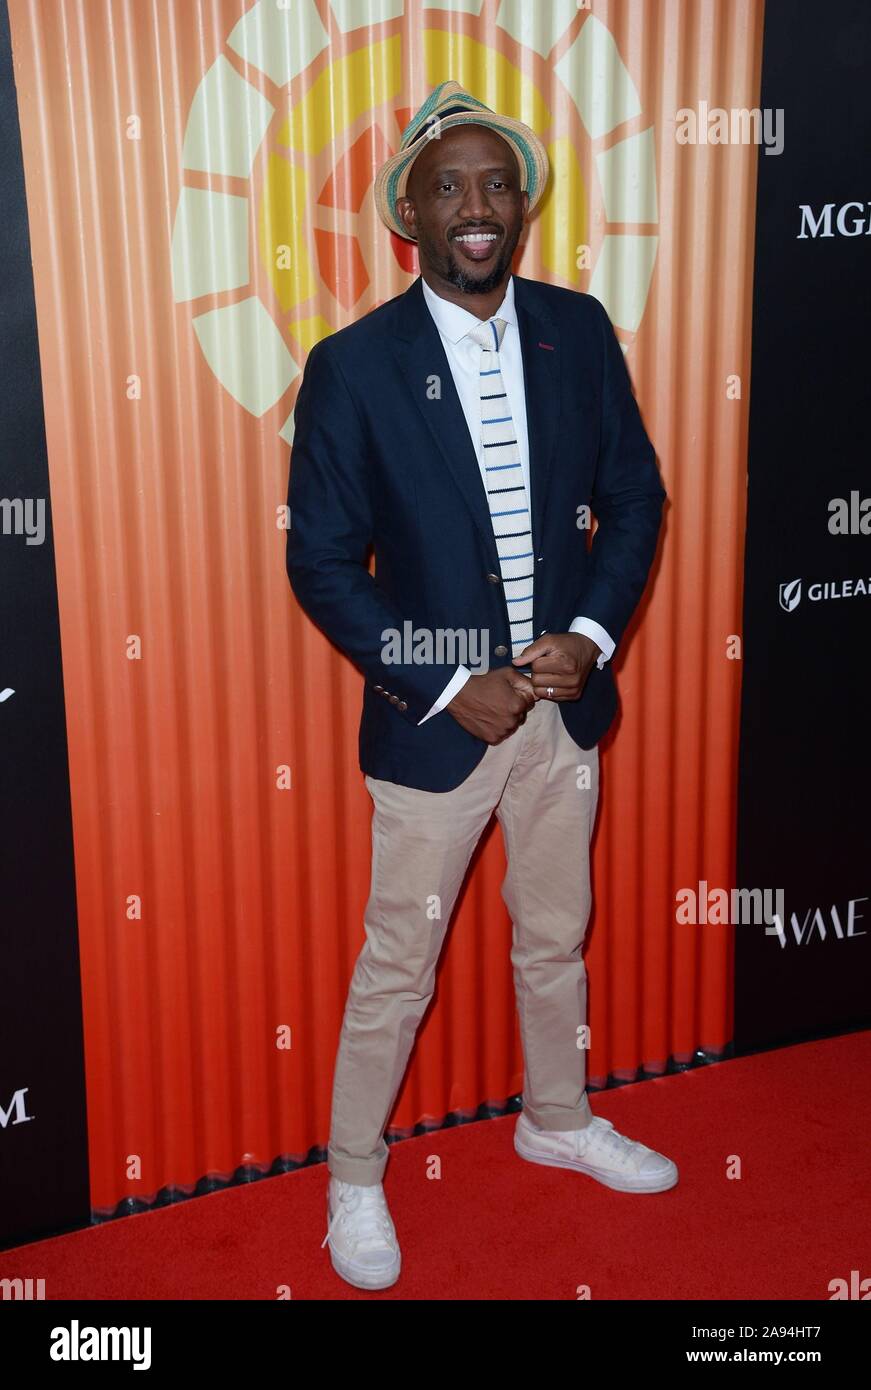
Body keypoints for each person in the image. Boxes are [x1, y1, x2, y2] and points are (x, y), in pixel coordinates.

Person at [286, 80, 674, 1293]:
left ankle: (553, 1116)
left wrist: (592, 634)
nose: (474, 205)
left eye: (495, 182)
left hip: (564, 716)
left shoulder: (578, 328)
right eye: (447, 185)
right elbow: (320, 563)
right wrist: (453, 680)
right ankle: (354, 1175)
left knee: (554, 936)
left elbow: (637, 502)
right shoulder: (351, 366)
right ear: (408, 211)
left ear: (522, 205)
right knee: (398, 961)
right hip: (434, 732)